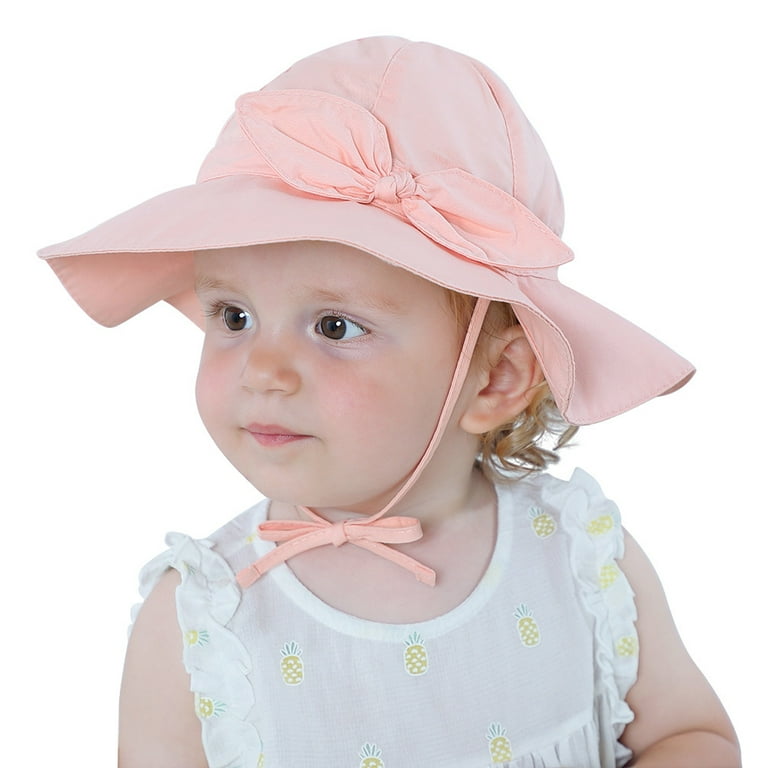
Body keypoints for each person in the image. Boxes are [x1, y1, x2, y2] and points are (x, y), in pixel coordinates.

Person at [38, 37, 739, 768]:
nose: (263, 370)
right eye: (234, 317)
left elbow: (691, 736)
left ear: (495, 379)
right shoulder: (203, 621)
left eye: (334, 327)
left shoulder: (578, 558)